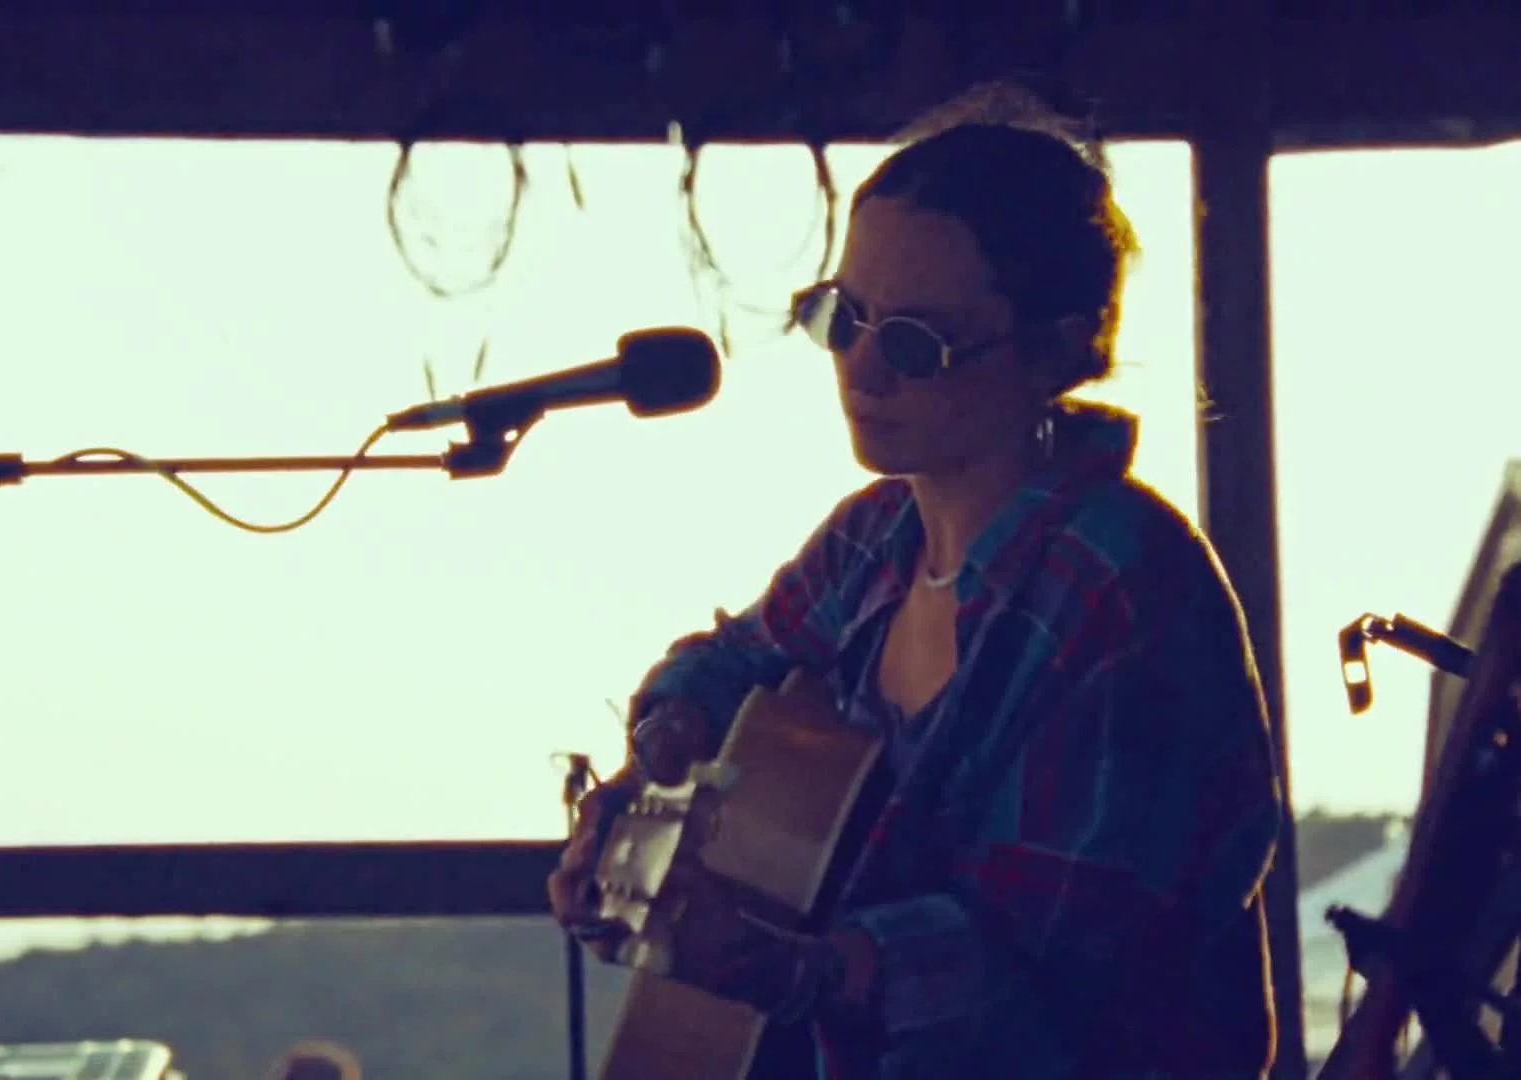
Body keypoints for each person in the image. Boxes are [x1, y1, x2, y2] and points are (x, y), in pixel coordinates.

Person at [549, 90, 1283, 1079]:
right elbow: (728, 664)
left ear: (1055, 348)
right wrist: (653, 775)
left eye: (914, 342)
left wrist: (787, 970)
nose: (861, 369)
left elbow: (1055, 979)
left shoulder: (1124, 585)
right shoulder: (873, 542)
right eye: (843, 319)